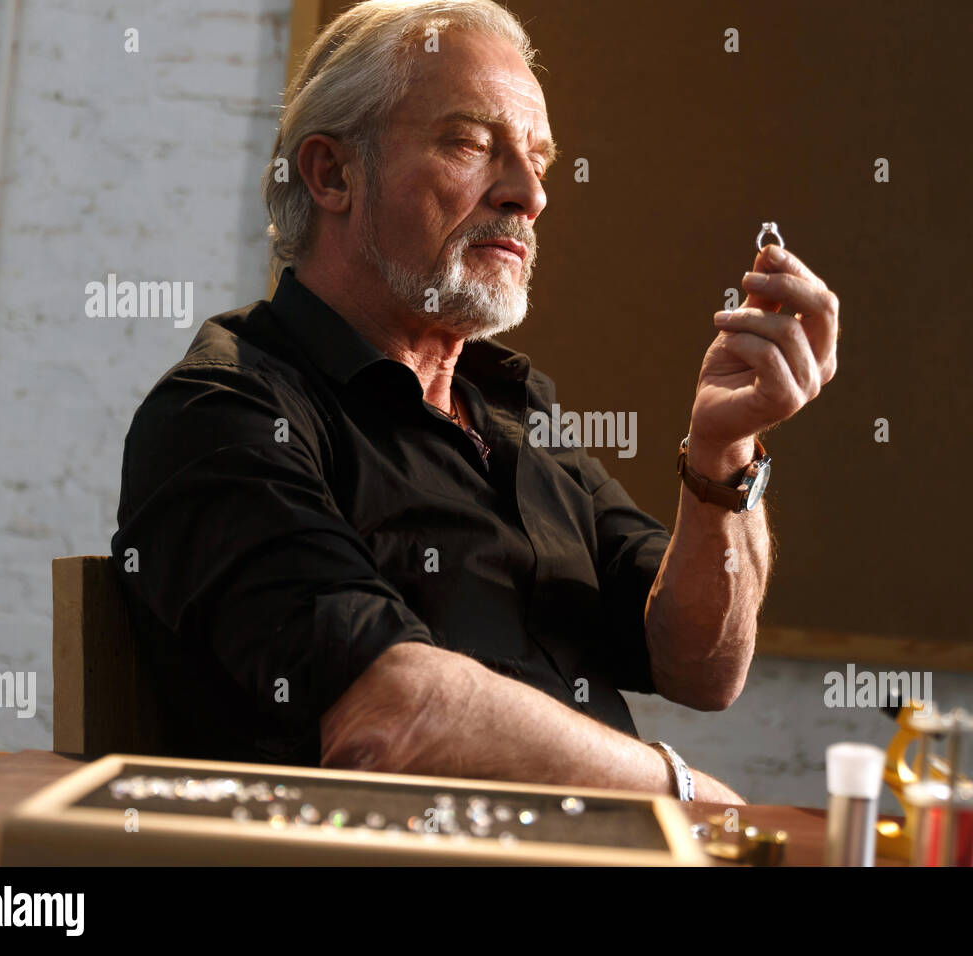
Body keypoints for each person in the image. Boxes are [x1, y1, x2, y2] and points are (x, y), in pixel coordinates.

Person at [111, 0, 838, 805]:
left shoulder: (509, 406)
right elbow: (389, 716)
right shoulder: (224, 413)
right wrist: (680, 793)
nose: (530, 196)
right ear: (331, 173)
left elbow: (700, 665)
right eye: (470, 143)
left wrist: (722, 452)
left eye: (538, 158)